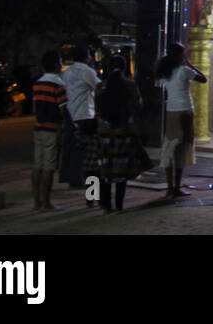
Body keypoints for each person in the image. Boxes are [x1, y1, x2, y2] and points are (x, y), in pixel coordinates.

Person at [97, 56, 152, 213]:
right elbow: (138, 105)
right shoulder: (130, 84)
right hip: (123, 130)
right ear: (124, 67)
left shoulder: (101, 86)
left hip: (105, 131)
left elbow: (97, 107)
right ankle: (119, 205)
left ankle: (105, 204)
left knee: (104, 170)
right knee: (122, 171)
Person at [155, 43, 206, 197]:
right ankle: (176, 187)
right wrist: (191, 65)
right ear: (181, 56)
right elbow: (203, 79)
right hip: (185, 110)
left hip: (171, 111)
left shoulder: (165, 72)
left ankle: (170, 187)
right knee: (182, 150)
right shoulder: (185, 71)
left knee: (170, 147)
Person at [60, 46, 102, 204]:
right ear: (86, 57)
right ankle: (92, 195)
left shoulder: (68, 72)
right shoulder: (87, 71)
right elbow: (99, 87)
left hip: (71, 116)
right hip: (86, 116)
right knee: (91, 157)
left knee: (74, 151)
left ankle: (75, 179)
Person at [31, 51, 67, 211]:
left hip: (38, 128)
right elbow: (63, 108)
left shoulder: (37, 83)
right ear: (55, 65)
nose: (61, 64)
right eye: (60, 61)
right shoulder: (58, 84)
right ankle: (46, 202)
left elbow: (34, 107)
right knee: (49, 166)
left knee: (37, 165)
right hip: (52, 129)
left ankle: (36, 202)